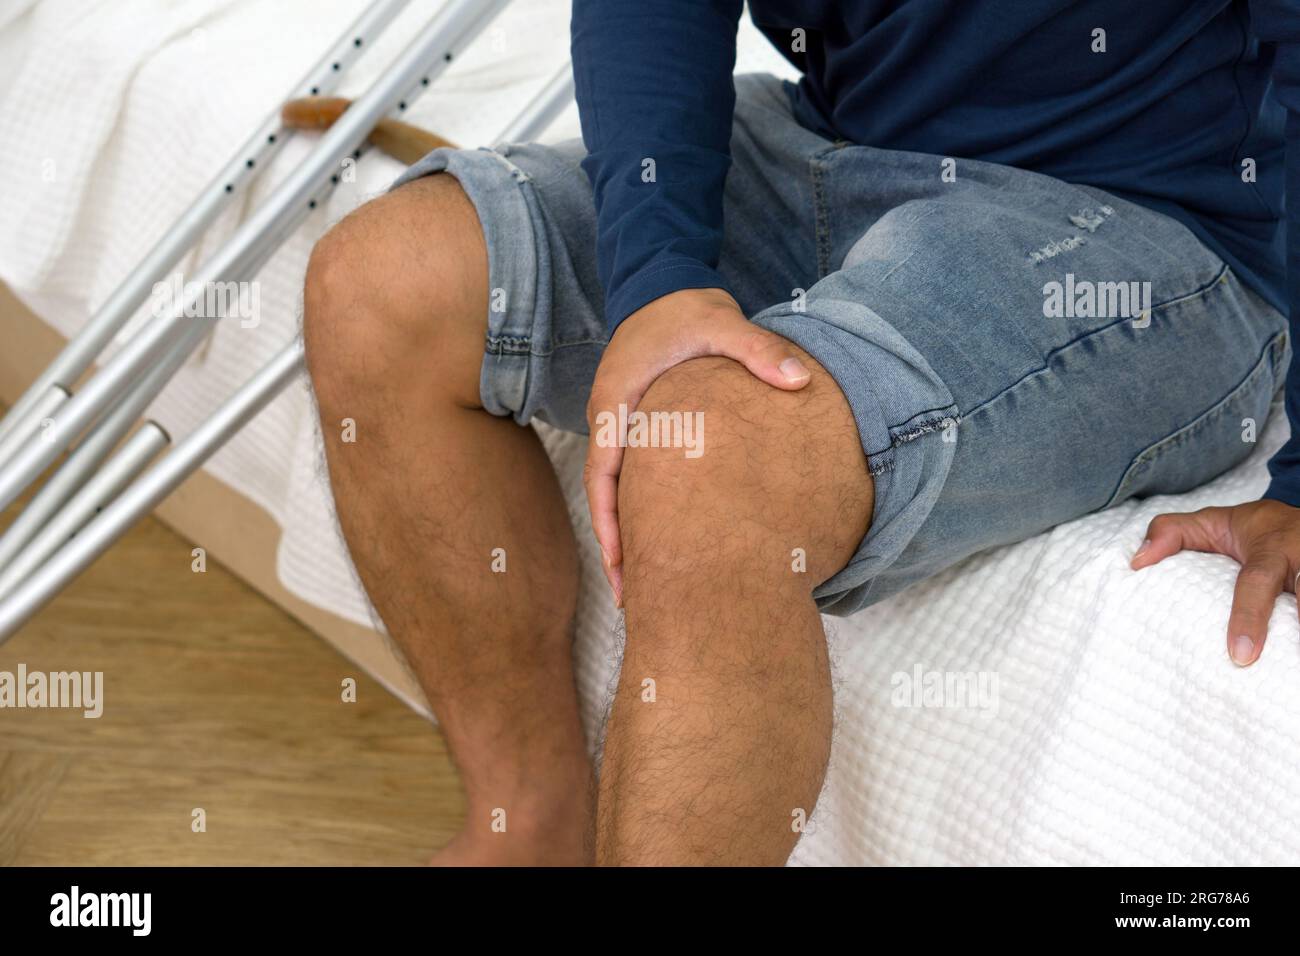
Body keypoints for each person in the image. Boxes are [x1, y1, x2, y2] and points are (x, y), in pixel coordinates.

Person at [301, 0, 1300, 865]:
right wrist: (661, 280)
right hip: (829, 149)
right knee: (384, 285)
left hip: (1135, 224)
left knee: (712, 455)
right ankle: (532, 825)